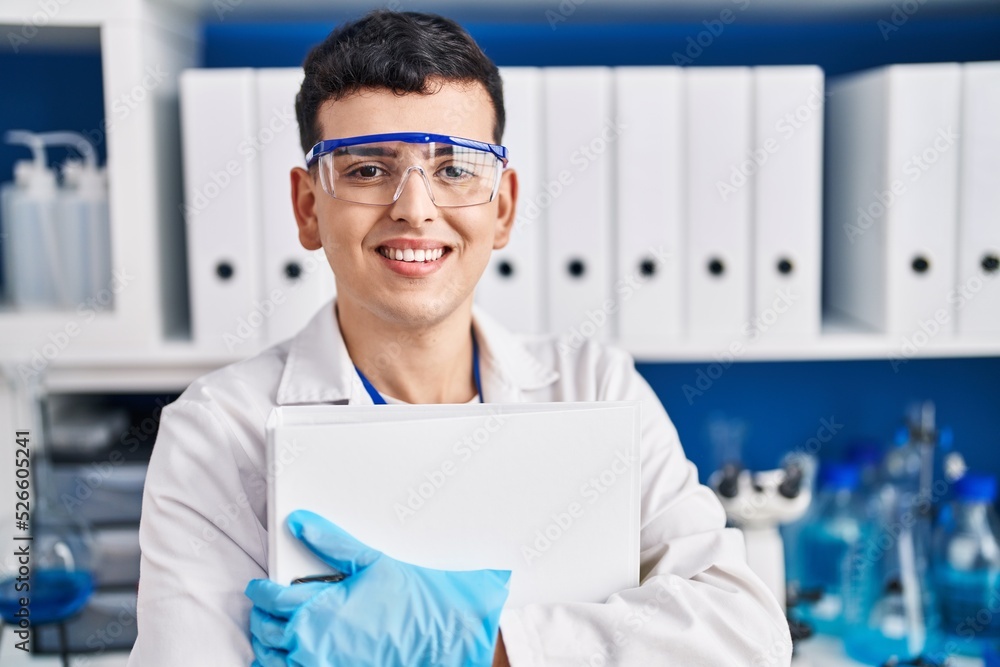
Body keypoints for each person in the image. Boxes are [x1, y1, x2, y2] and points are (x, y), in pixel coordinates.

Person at [129, 9, 791, 666]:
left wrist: (482, 641)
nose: (415, 208)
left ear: (501, 208)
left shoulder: (595, 385)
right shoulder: (216, 436)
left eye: (454, 170)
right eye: (366, 170)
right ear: (308, 208)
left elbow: (747, 633)